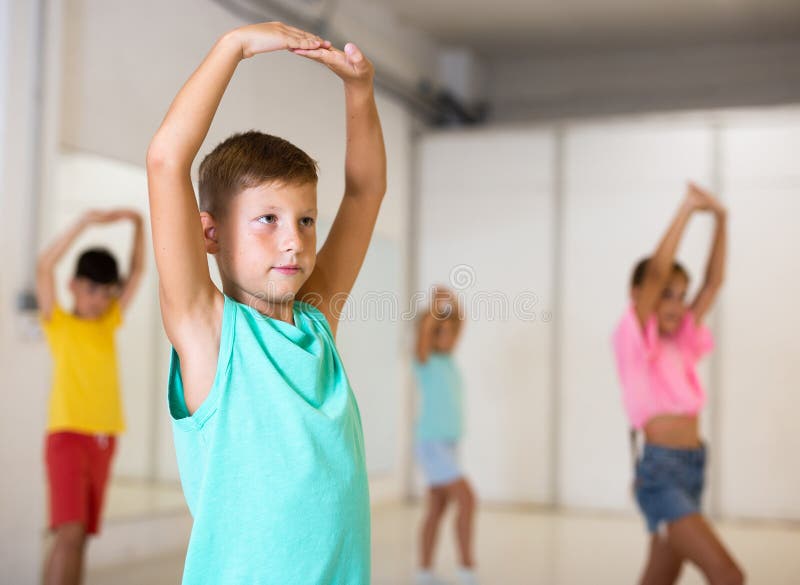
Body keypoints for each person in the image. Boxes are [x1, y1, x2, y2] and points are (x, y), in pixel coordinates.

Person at [145, 21, 386, 584]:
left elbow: (366, 191)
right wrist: (233, 48)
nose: (294, 240)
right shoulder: (210, 333)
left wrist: (360, 91)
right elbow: (165, 161)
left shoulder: (316, 322)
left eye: (305, 220)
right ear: (211, 234)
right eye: (267, 220)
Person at [612, 182, 744, 585]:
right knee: (728, 575)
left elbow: (713, 283)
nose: (675, 304)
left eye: (680, 296)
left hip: (691, 468)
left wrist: (722, 219)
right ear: (639, 296)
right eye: (665, 294)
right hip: (661, 473)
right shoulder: (635, 336)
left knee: (659, 579)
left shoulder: (683, 337)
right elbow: (656, 271)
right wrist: (686, 209)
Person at [37, 208, 145, 585]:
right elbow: (43, 266)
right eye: (91, 289)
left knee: (81, 539)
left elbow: (138, 273)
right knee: (67, 535)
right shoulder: (59, 323)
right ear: (73, 286)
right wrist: (83, 224)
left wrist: (138, 224)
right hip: (67, 437)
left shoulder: (109, 322)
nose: (99, 299)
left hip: (104, 440)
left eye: (107, 292)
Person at [414, 286, 478, 585]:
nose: (451, 337)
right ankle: (467, 569)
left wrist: (450, 302)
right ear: (433, 334)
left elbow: (460, 320)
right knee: (468, 500)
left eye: (452, 333)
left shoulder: (449, 360)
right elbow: (425, 330)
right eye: (444, 332)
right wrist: (434, 308)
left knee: (438, 508)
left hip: (448, 444)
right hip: (432, 444)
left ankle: (424, 572)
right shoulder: (425, 361)